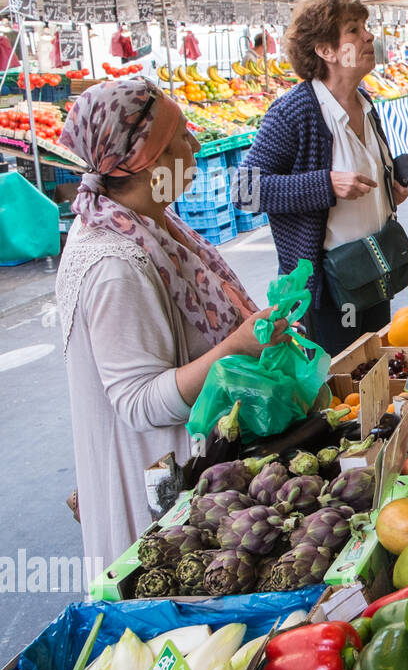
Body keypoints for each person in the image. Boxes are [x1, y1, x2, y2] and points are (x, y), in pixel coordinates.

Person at [54, 78, 289, 564]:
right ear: (147, 161)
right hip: (160, 502)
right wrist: (237, 347)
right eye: (182, 135)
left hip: (195, 472)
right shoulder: (115, 263)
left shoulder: (152, 221)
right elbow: (139, 403)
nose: (198, 146)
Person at [239, 0, 408, 356]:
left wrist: (386, 187)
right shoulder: (294, 112)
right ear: (326, 51)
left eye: (365, 27)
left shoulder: (366, 103)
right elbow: (245, 191)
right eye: (354, 30)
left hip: (374, 271)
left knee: (376, 372)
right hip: (327, 291)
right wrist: (326, 184)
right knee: (341, 389)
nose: (369, 37)